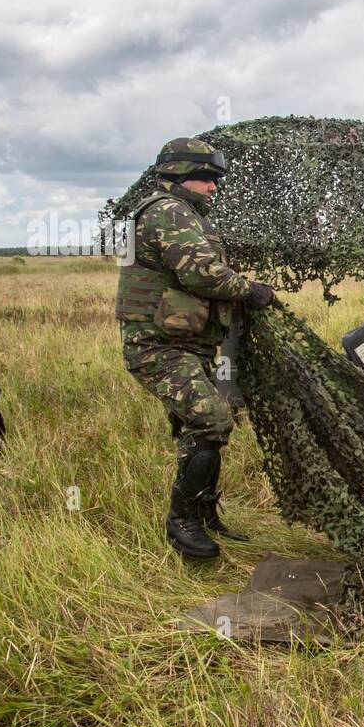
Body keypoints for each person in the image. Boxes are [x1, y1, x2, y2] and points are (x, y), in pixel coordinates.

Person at [115, 137, 277, 559]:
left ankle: (204, 516)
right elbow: (202, 274)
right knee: (212, 419)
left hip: (186, 345)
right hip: (158, 346)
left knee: (203, 427)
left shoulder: (183, 214)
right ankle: (181, 522)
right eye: (207, 179)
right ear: (182, 176)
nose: (213, 188)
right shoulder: (167, 212)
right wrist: (251, 291)